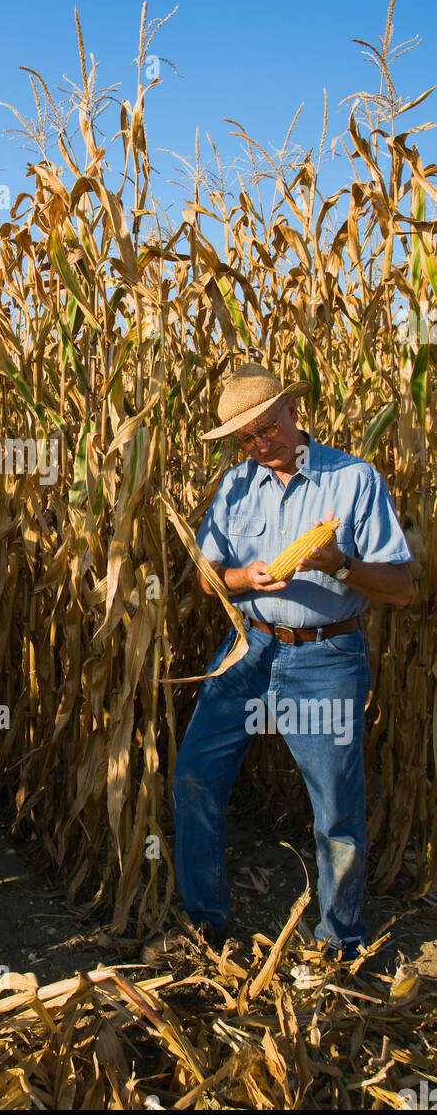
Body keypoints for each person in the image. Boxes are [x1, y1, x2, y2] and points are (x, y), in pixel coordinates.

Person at [172, 363, 414, 960]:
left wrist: (337, 564)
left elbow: (405, 587)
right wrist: (239, 577)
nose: (260, 445)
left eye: (266, 428)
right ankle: (206, 924)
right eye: (246, 438)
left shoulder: (353, 481)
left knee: (335, 807)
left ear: (291, 412)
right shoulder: (234, 487)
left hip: (326, 656)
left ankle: (339, 941)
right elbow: (207, 576)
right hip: (247, 646)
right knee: (194, 779)